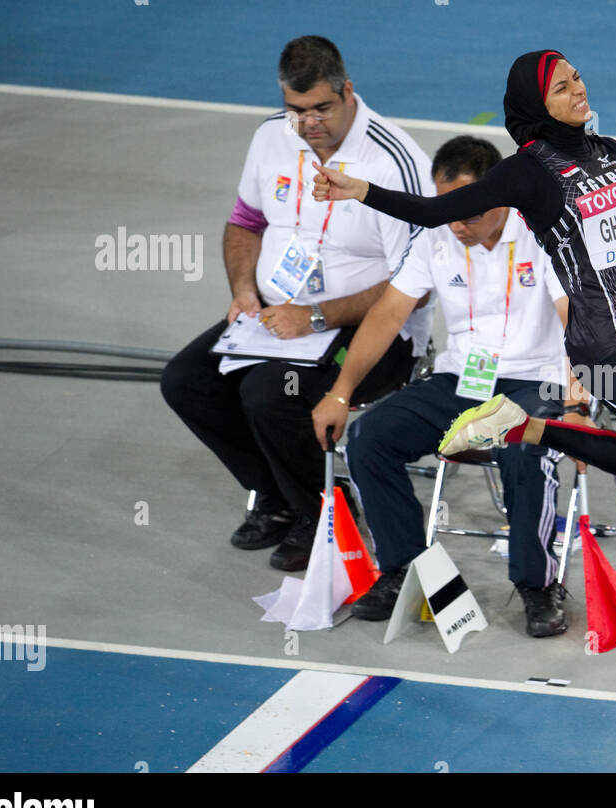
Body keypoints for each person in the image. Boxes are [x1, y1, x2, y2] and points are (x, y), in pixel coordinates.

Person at [311, 50, 616, 656]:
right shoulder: (528, 173)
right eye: (563, 85)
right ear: (535, 104)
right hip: (603, 351)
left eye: (578, 78)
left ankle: (527, 430)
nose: (578, 88)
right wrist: (357, 188)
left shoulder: (610, 152)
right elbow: (435, 211)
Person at [161, 35, 434, 571]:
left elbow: (416, 283)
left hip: (372, 332)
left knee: (269, 393)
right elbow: (245, 223)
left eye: (321, 109)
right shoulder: (271, 137)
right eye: (296, 110)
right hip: (273, 317)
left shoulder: (393, 159)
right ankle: (279, 496)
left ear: (347, 91)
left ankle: (328, 515)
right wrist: (243, 288)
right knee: (186, 381)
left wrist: (315, 317)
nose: (309, 123)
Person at [310, 135, 575, 637]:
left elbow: (575, 322)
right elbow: (389, 314)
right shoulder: (435, 238)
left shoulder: (544, 233)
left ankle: (538, 585)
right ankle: (410, 573)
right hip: (460, 381)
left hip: (536, 381)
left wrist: (580, 399)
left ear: (503, 196)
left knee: (523, 445)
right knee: (370, 438)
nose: (457, 223)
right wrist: (340, 393)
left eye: (469, 211)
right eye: (448, 208)